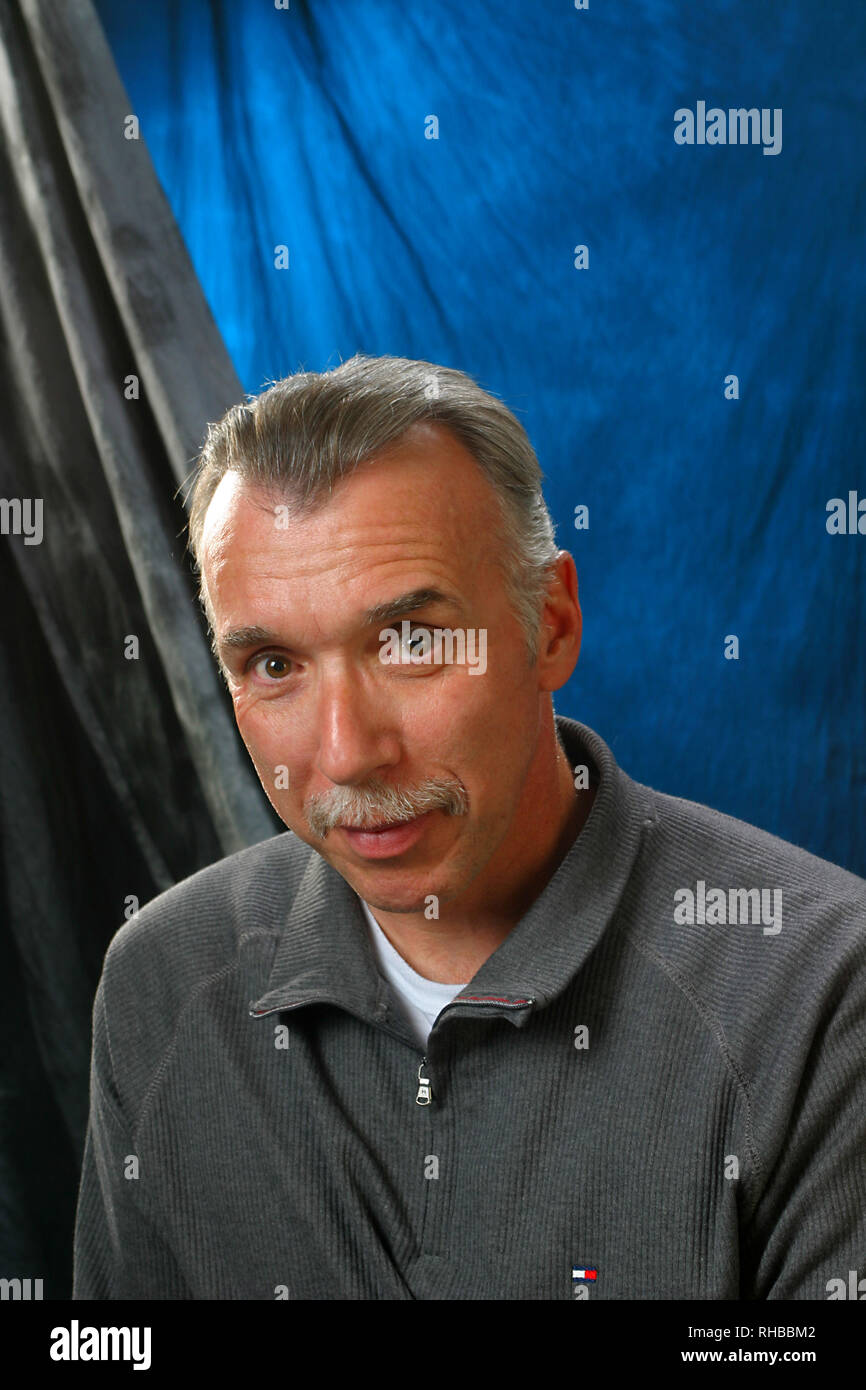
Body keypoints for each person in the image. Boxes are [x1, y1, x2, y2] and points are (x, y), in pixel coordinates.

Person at [73, 354, 866, 1300]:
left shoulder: (822, 991)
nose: (348, 753)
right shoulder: (161, 982)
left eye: (412, 643)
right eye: (275, 664)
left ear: (553, 624)